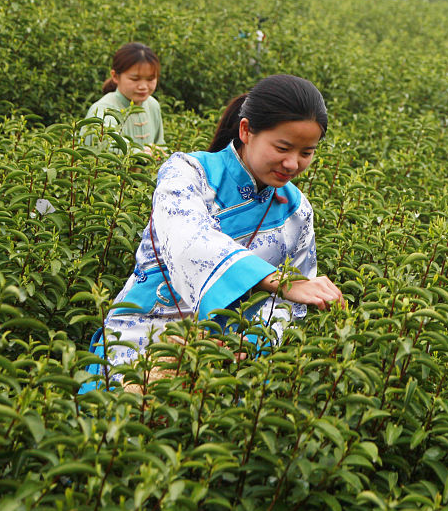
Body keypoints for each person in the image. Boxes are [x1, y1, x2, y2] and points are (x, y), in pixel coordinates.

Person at [82, 74, 345, 392]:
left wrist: (252, 343)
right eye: (283, 147)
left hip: (225, 356)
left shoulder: (296, 210)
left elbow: (289, 305)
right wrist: (281, 281)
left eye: (306, 152)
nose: (292, 163)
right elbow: (188, 241)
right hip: (142, 336)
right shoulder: (187, 173)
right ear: (246, 131)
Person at [84, 42, 166, 150]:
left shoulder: (152, 105)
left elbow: (160, 144)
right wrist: (141, 155)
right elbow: (109, 146)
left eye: (150, 79)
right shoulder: (103, 109)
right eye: (135, 79)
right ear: (115, 76)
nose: (143, 86)